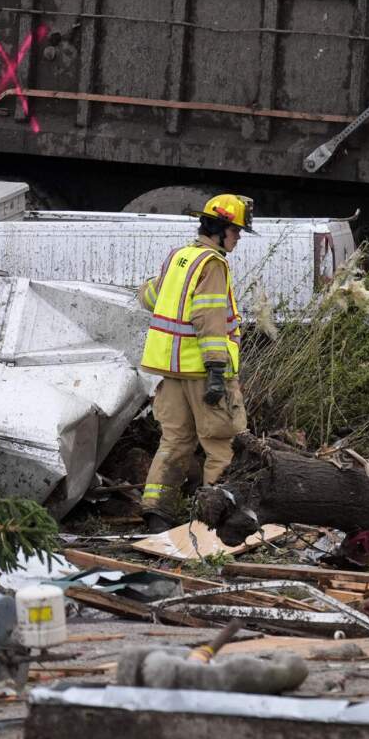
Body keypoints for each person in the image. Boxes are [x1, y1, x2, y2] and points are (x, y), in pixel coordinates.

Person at [136, 193, 254, 532]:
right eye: (236, 231)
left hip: (170, 372)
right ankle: (219, 521)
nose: (239, 237)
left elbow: (148, 295)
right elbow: (209, 319)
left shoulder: (180, 257)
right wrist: (217, 371)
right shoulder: (213, 264)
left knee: (174, 442)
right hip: (204, 371)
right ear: (220, 229)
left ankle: (158, 513)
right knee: (223, 444)